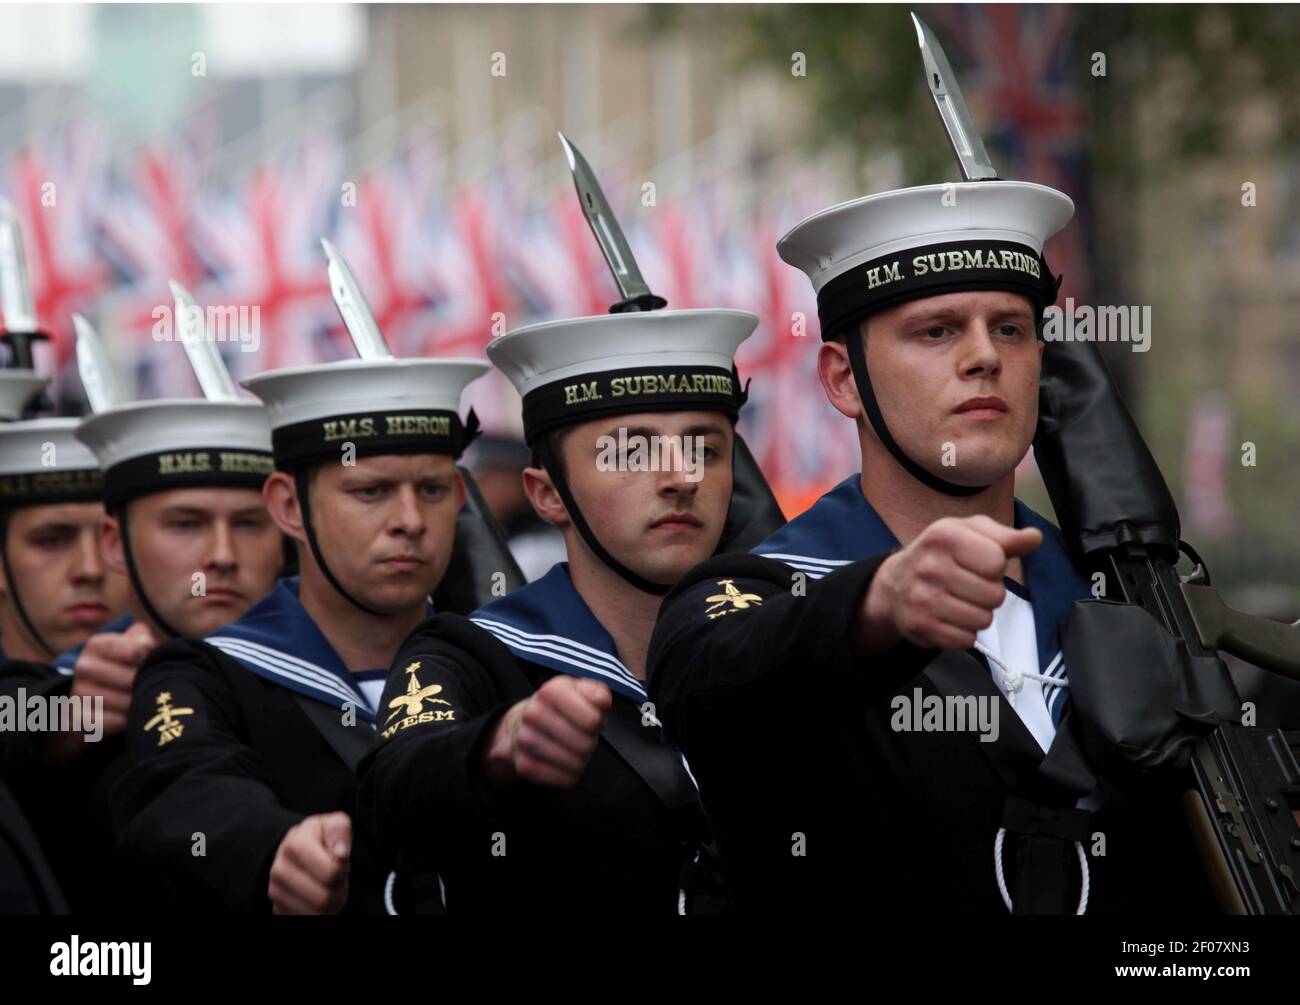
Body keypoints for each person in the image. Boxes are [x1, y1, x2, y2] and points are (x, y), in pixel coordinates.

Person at [646, 180, 1216, 914]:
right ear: (843, 379)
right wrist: (877, 604)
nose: (984, 356)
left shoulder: (1123, 598)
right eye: (937, 330)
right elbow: (709, 679)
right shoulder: (767, 591)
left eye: (1010, 329)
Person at [359, 307, 757, 914]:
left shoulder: (778, 628)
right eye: (630, 451)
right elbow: (396, 788)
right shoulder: (473, 656)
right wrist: (496, 746)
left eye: (706, 448)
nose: (682, 477)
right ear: (547, 495)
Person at [112, 352, 487, 913]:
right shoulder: (205, 676)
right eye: (371, 491)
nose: (409, 519)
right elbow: (184, 784)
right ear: (289, 508)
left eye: (431, 491)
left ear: (459, 500)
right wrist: (273, 848)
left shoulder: (503, 657)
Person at [0, 390, 282, 912]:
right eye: (185, 523)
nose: (221, 556)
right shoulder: (75, 694)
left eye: (248, 523)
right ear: (122, 543)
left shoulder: (323, 672)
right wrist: (66, 718)